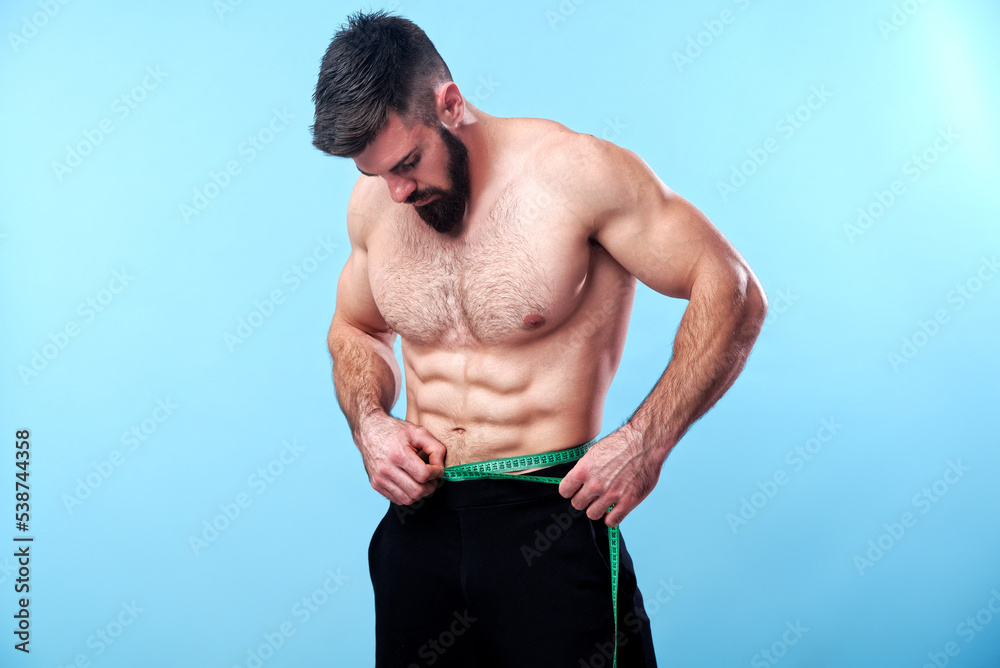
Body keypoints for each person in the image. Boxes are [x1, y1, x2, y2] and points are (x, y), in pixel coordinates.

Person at [313, 10, 767, 667]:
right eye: (376, 173)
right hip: (418, 534)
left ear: (450, 104)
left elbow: (733, 289)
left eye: (408, 161)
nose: (398, 189)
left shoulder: (576, 175)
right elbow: (354, 328)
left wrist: (645, 443)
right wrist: (370, 424)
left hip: (547, 517)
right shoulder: (378, 203)